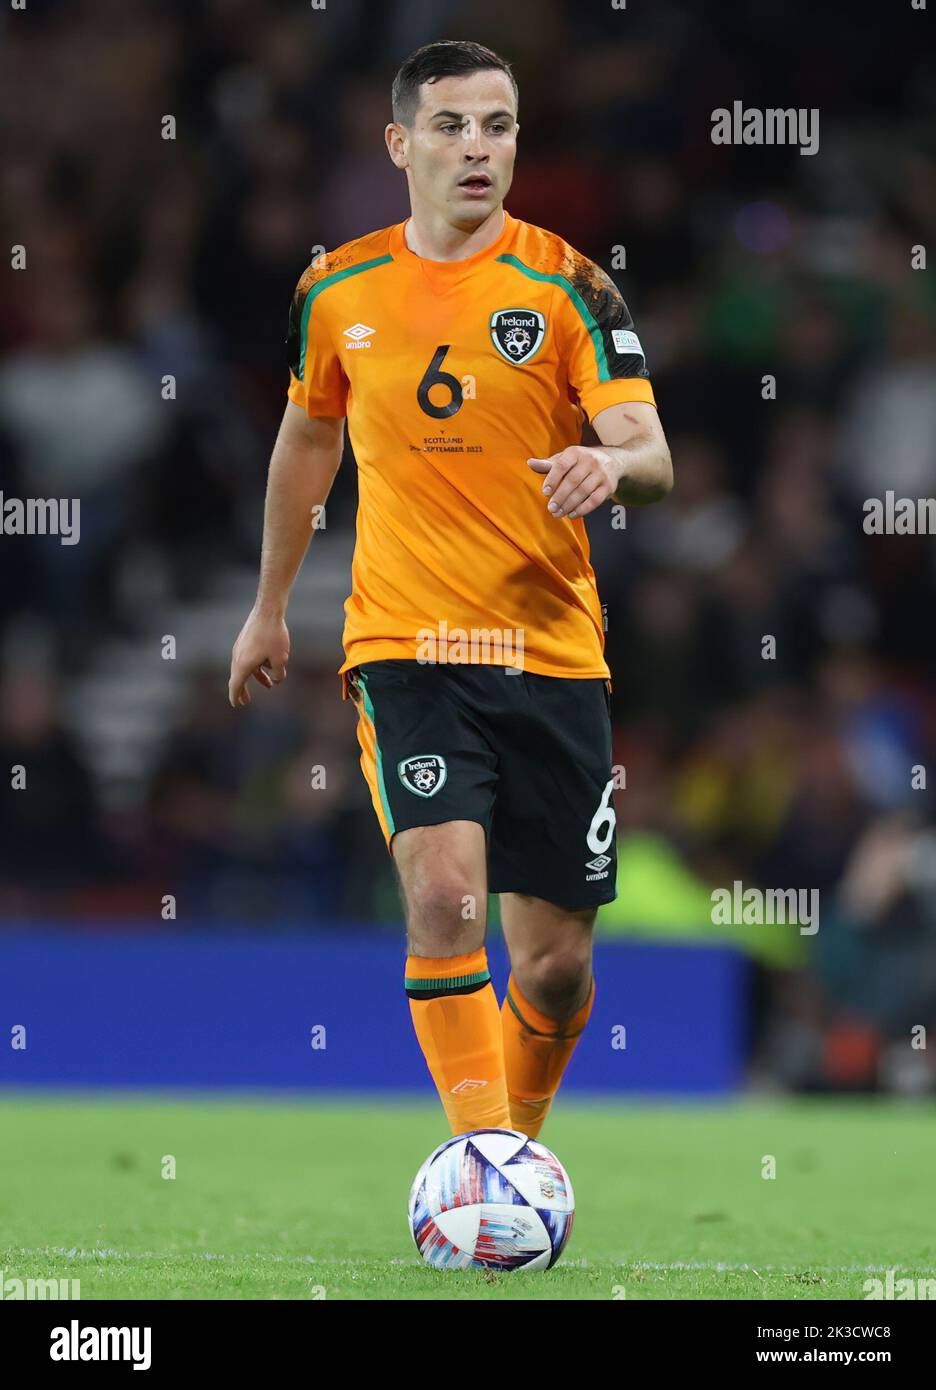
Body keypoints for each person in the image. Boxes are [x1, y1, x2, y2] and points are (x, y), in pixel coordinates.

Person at [228, 40, 673, 1140]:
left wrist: (608, 466)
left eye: (498, 126)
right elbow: (303, 440)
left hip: (549, 651)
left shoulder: (572, 283)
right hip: (404, 643)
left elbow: (651, 452)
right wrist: (269, 604)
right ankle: (480, 1160)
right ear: (399, 144)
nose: (477, 149)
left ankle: (513, 1146)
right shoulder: (334, 287)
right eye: (451, 126)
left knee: (555, 965)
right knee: (440, 898)